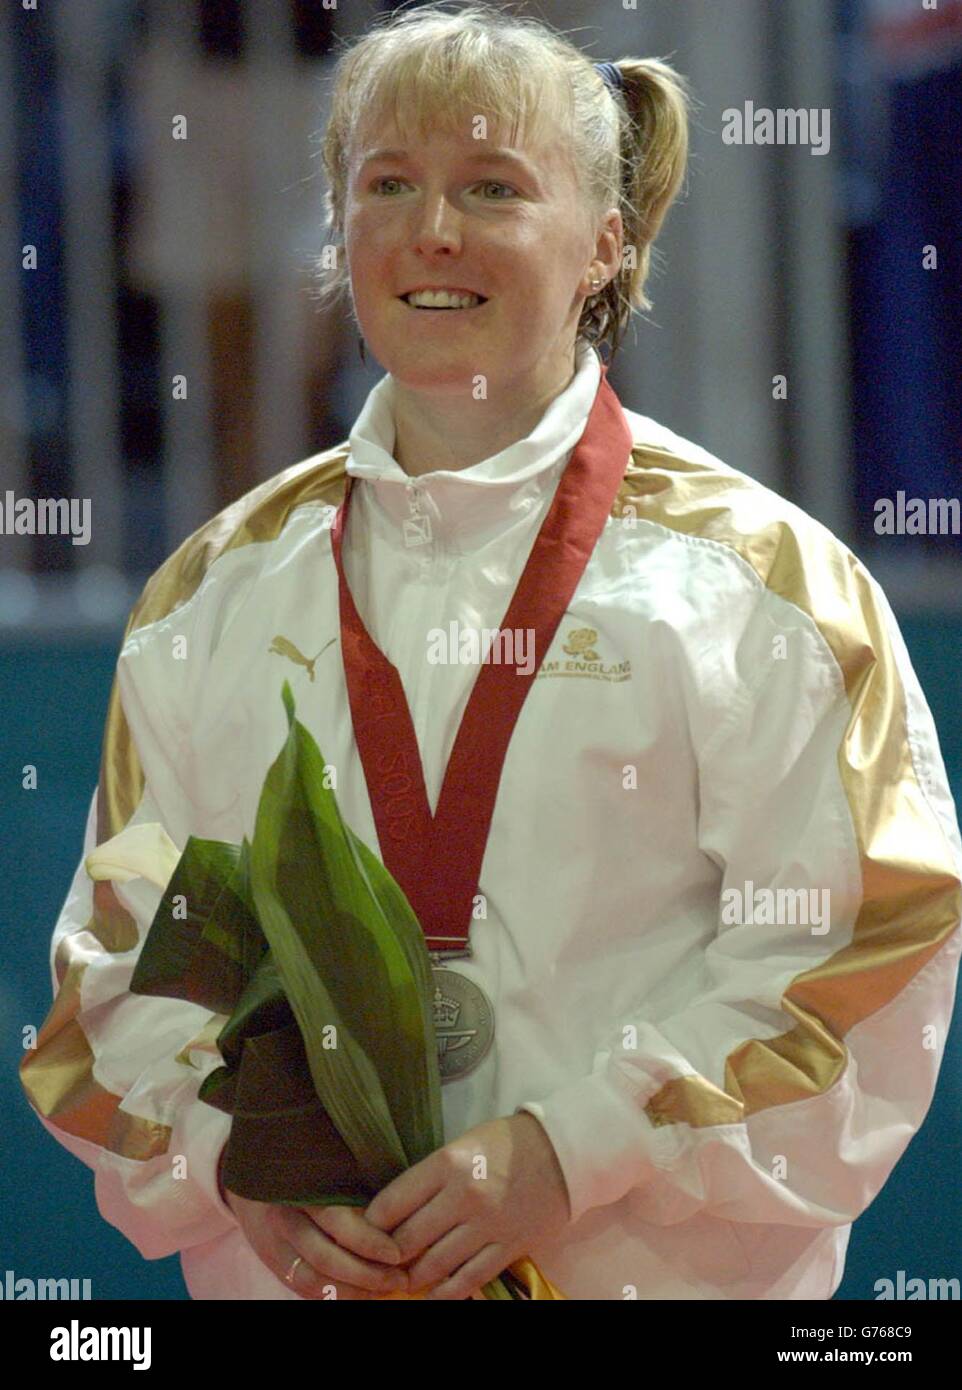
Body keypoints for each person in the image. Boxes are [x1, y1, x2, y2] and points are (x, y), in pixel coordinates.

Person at [21, 1, 962, 1302]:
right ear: (338, 230)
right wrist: (242, 1161)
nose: (433, 229)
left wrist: (568, 1154)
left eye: (492, 187)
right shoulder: (216, 593)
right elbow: (116, 975)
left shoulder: (763, 589)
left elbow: (864, 954)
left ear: (604, 242)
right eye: (387, 185)